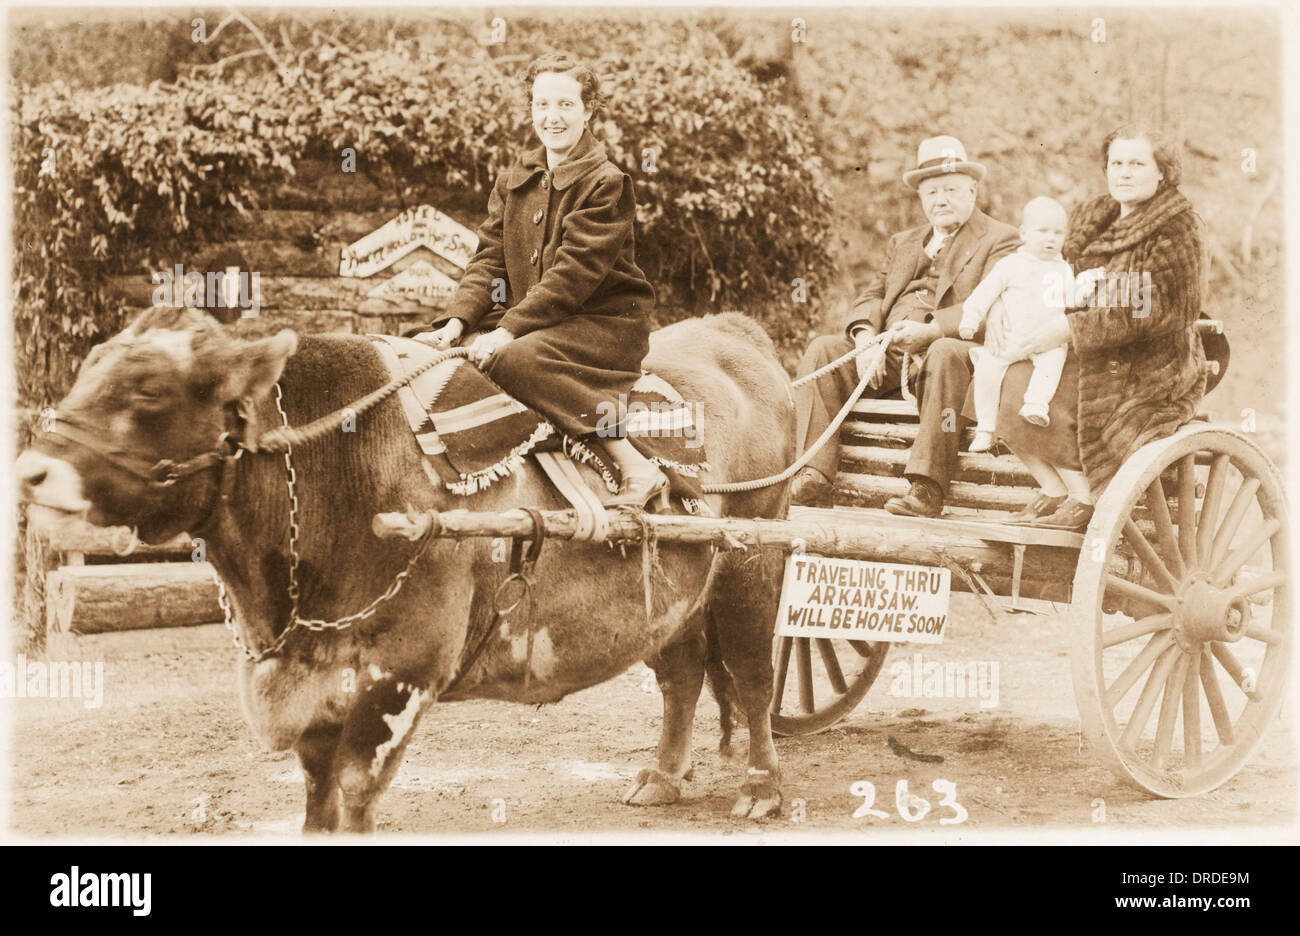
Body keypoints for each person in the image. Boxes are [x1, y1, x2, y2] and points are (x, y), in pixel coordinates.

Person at [413, 53, 666, 509]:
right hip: (533, 318)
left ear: (588, 110)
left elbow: (573, 275)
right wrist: (455, 322)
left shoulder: (605, 182)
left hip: (599, 324)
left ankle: (635, 466)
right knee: (420, 349)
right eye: (542, 104)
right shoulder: (515, 177)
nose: (552, 118)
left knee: (515, 361)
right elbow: (488, 258)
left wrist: (506, 331)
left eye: (566, 105)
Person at [790, 135, 1019, 515]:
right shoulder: (904, 242)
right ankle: (814, 473)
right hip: (890, 357)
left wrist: (930, 332)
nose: (940, 200)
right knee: (822, 350)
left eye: (950, 189)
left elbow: (997, 308)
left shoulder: (1001, 239)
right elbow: (871, 296)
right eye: (931, 193)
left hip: (953, 362)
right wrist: (865, 339)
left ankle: (926, 488)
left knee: (945, 351)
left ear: (973, 190)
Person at [994, 125, 1208, 530]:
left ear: (1162, 172)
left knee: (1056, 389)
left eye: (1137, 164)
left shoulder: (1178, 227)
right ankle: (1057, 489)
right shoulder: (1092, 216)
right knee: (1011, 378)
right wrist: (1009, 304)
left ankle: (1086, 497)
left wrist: (1071, 330)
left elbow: (1153, 307)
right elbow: (1045, 269)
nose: (1124, 173)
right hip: (1086, 347)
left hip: (1150, 364)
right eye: (1116, 163)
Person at [959, 196, 1074, 453]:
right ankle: (986, 427)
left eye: (1058, 233)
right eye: (1043, 231)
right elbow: (985, 293)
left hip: (1047, 340)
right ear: (1024, 234)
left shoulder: (1063, 269)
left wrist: (1086, 288)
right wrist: (971, 317)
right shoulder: (1010, 265)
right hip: (1011, 337)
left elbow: (1073, 301)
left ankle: (1036, 403)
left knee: (1054, 361)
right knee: (987, 372)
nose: (1050, 239)